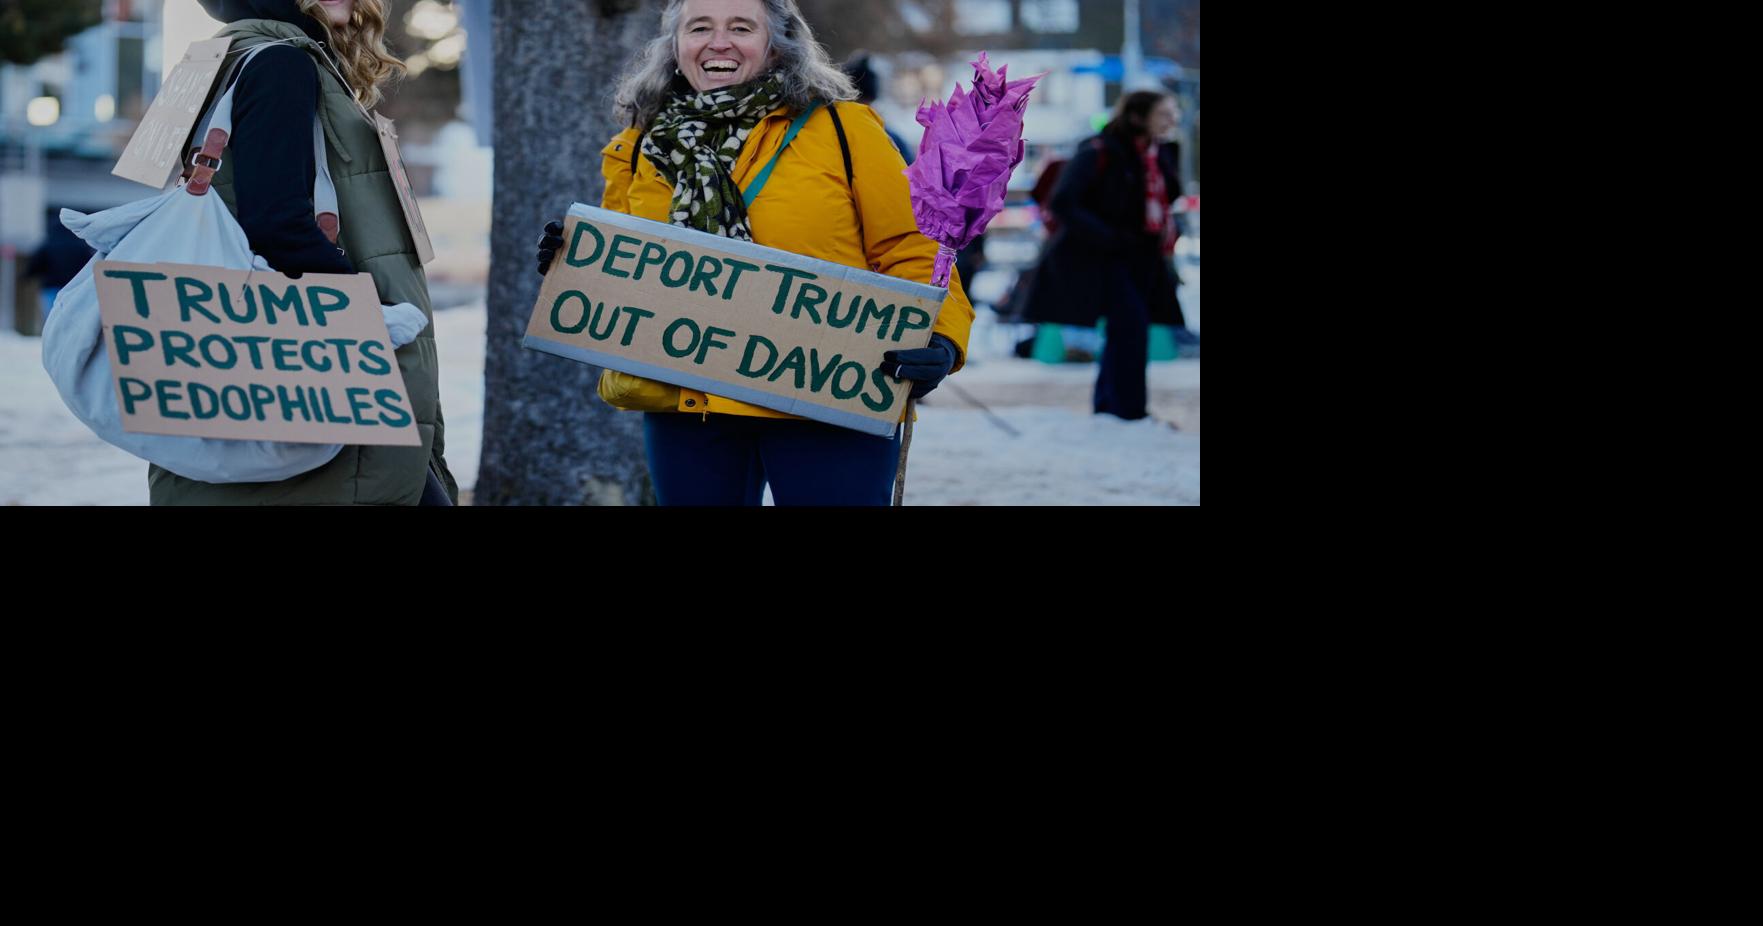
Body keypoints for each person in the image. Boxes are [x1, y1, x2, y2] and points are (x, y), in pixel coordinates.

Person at [537, 0, 975, 506]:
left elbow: (911, 245)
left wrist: (939, 337)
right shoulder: (642, 144)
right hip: (689, 402)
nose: (718, 42)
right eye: (699, 28)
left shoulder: (842, 129)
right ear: (676, 48)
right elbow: (629, 267)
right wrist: (576, 258)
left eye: (741, 27)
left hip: (826, 394)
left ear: (777, 46)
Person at [153, 0, 457, 506]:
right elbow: (276, 222)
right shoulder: (280, 63)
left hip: (285, 361)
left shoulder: (229, 58)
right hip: (326, 361)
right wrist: (366, 315)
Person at [1017, 90, 1187, 420]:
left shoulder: (1160, 153)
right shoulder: (1100, 150)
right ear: (1138, 117)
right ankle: (1129, 411)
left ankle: (1110, 406)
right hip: (1107, 255)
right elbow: (1063, 202)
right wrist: (1110, 236)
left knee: (1128, 328)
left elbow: (1168, 196)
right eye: (1163, 114)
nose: (1172, 121)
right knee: (1132, 326)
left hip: (1147, 256)